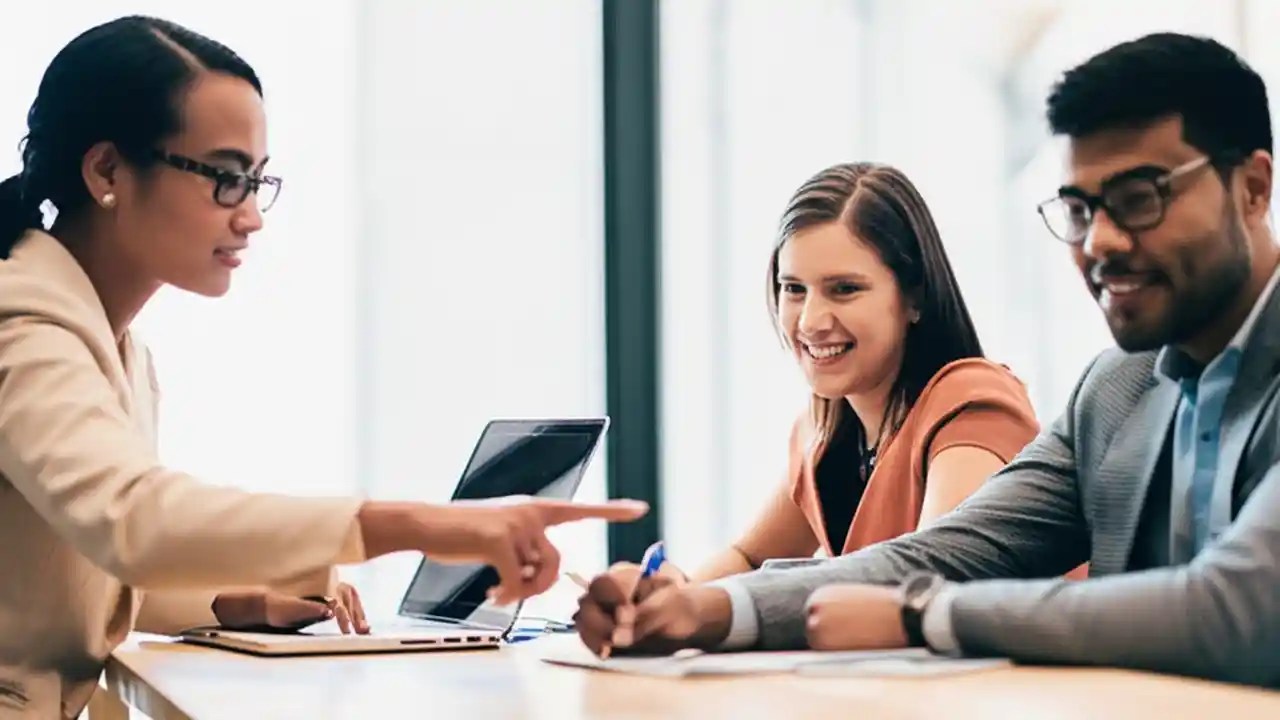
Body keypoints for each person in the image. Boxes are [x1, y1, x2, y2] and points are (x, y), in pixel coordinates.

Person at [573, 32, 1280, 688]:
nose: (1100, 242)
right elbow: (941, 554)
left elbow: (1237, 604)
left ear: (1252, 188)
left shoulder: (973, 399)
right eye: (1079, 209)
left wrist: (922, 617)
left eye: (1137, 199)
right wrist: (706, 612)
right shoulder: (1116, 391)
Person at [0, 15, 645, 718]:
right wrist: (425, 524)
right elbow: (130, 519)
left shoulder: (114, 343)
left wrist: (231, 601)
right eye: (224, 178)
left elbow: (75, 566)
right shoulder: (24, 321)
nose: (251, 216)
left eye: (257, 181)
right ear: (106, 171)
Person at [608, 162, 1040, 600]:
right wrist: (662, 601)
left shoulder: (974, 401)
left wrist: (714, 608)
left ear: (916, 297)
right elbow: (747, 558)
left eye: (844, 289)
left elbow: (928, 585)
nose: (811, 321)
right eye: (793, 289)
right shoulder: (822, 427)